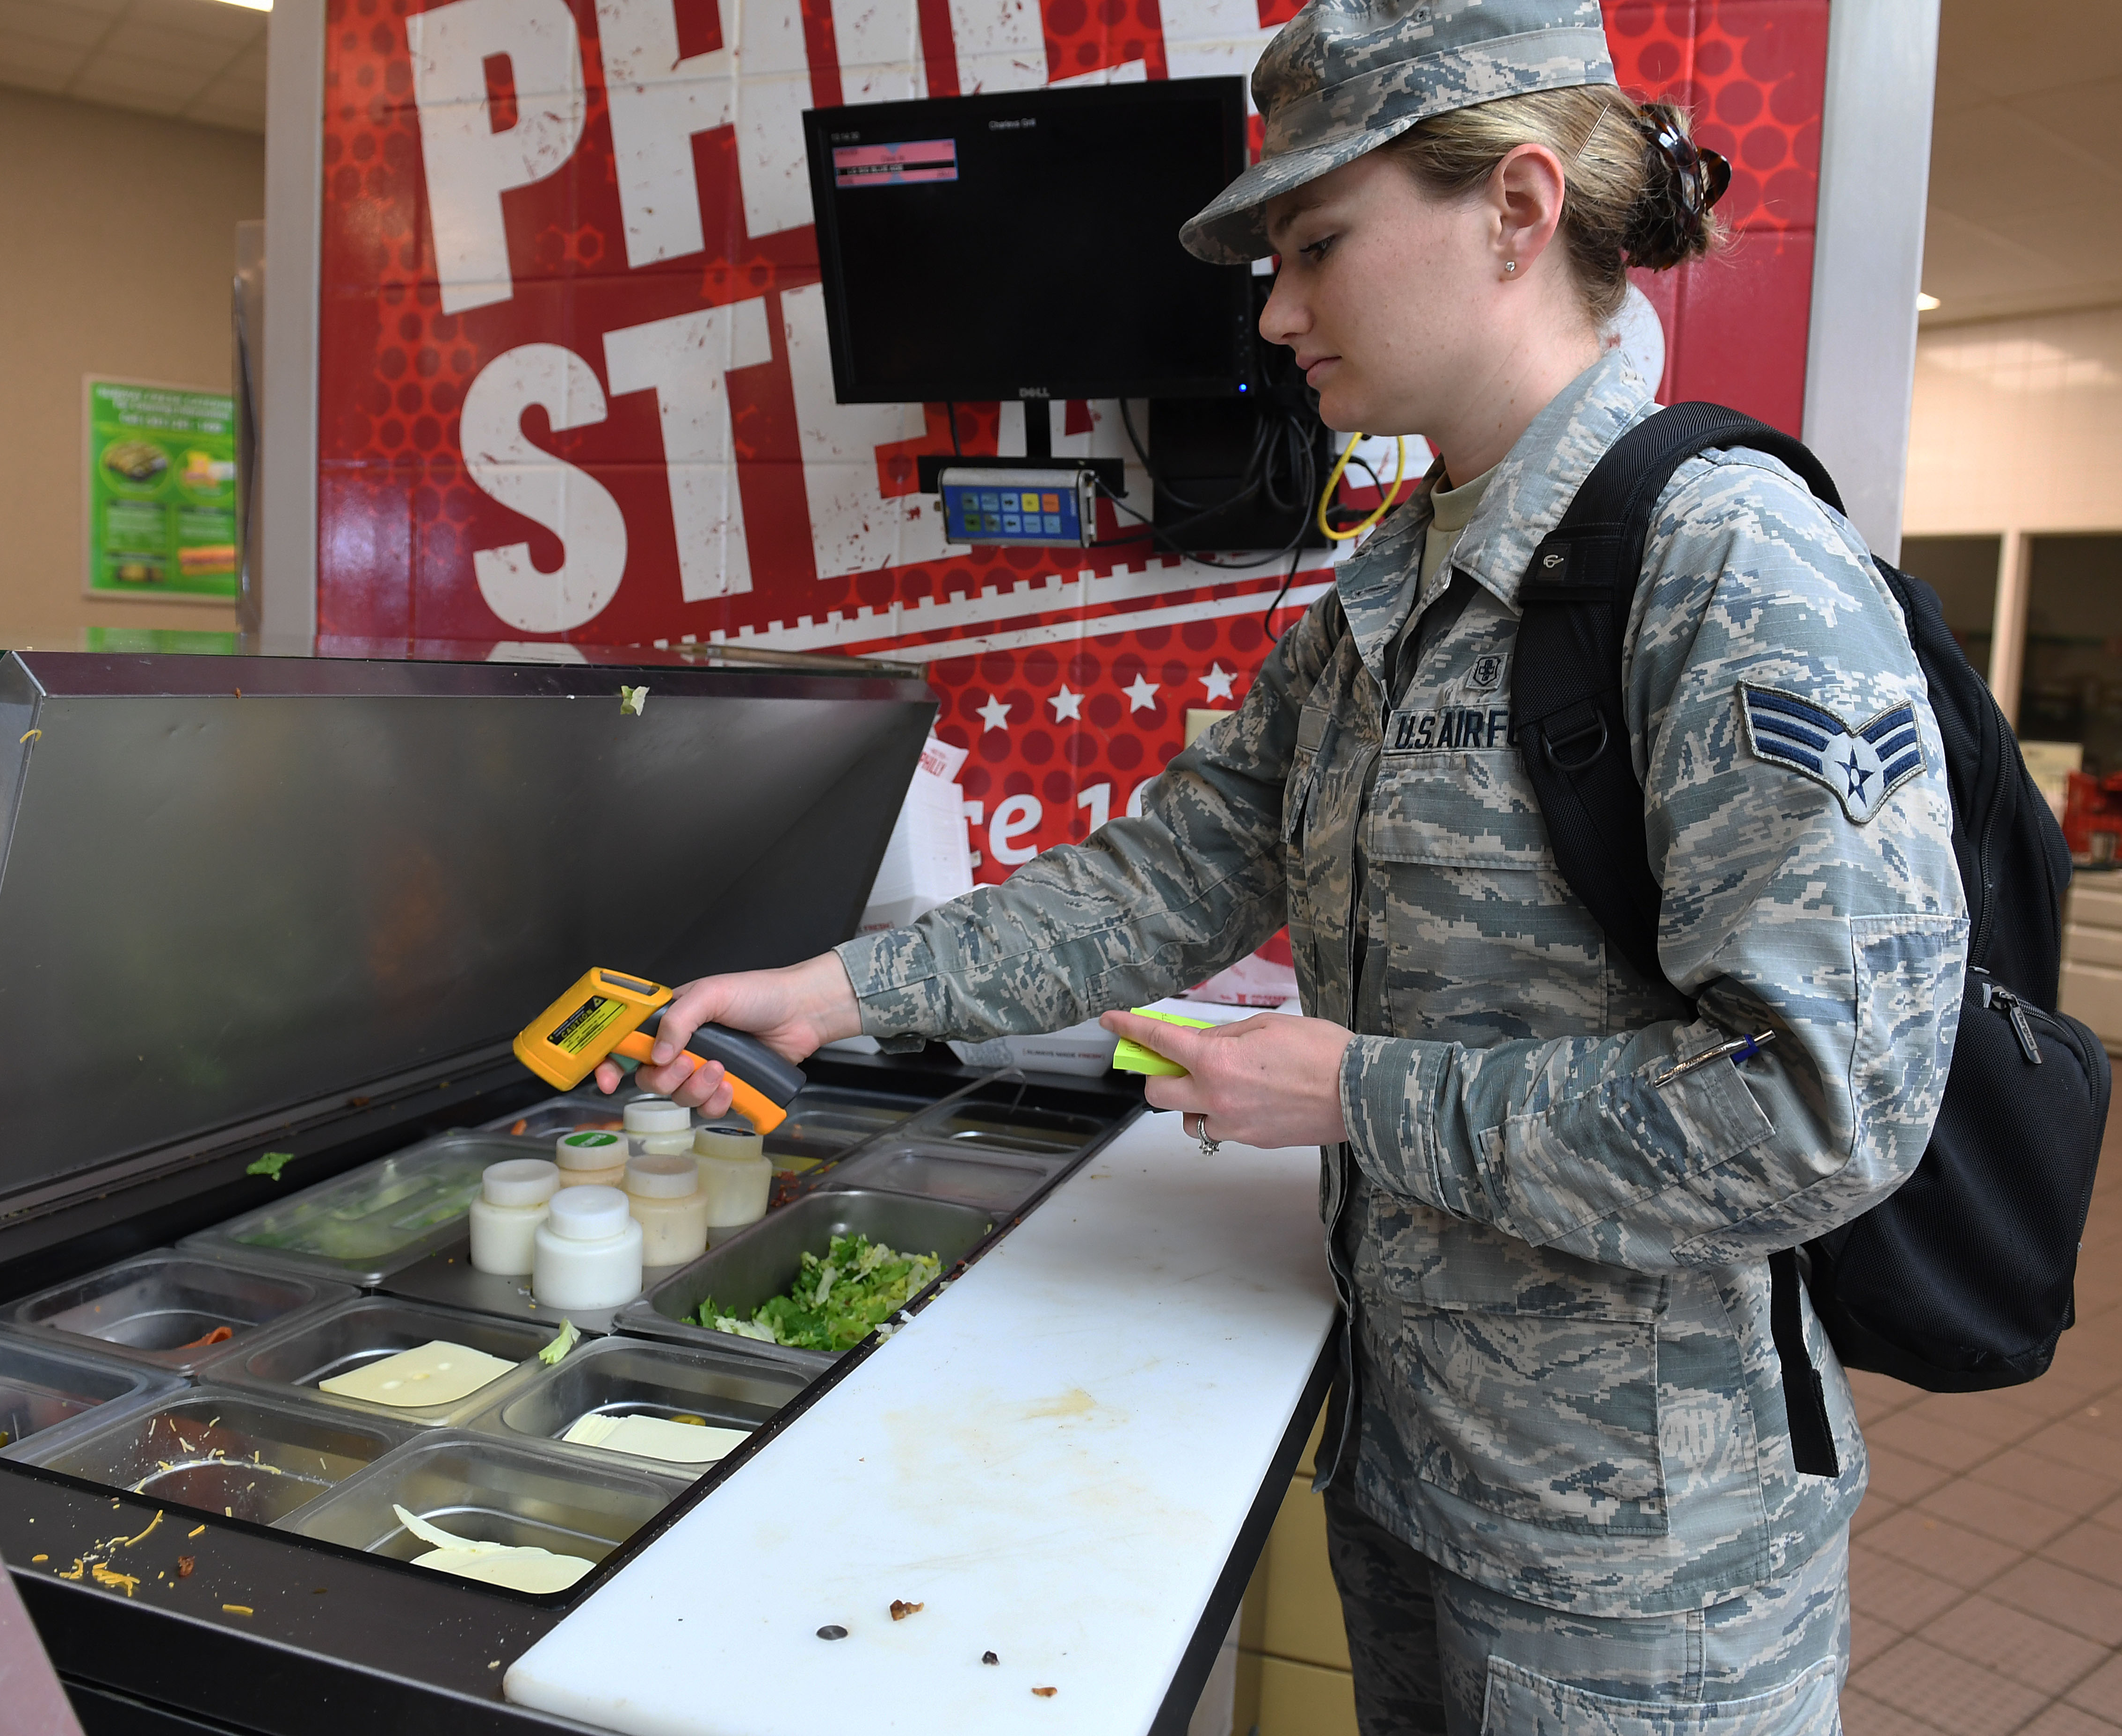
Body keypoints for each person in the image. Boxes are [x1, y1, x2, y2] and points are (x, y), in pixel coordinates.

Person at [601, 2, 1964, 1728]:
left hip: (1642, 1561)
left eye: (1318, 245)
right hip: (1405, 1466)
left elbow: (1825, 1108)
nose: (1274, 312)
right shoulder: (1387, 586)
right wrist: (832, 990)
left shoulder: (1733, 567)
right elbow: (1168, 876)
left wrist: (1352, 1095)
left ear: (1517, 210)